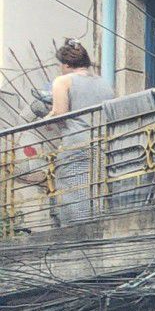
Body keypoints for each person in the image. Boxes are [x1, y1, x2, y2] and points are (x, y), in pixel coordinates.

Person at [45, 41, 112, 223]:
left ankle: (76, 231)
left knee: (73, 192)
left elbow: (60, 113)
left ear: (66, 64)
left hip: (76, 144)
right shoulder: (104, 83)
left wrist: (48, 117)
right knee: (97, 189)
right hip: (103, 143)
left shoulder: (63, 81)